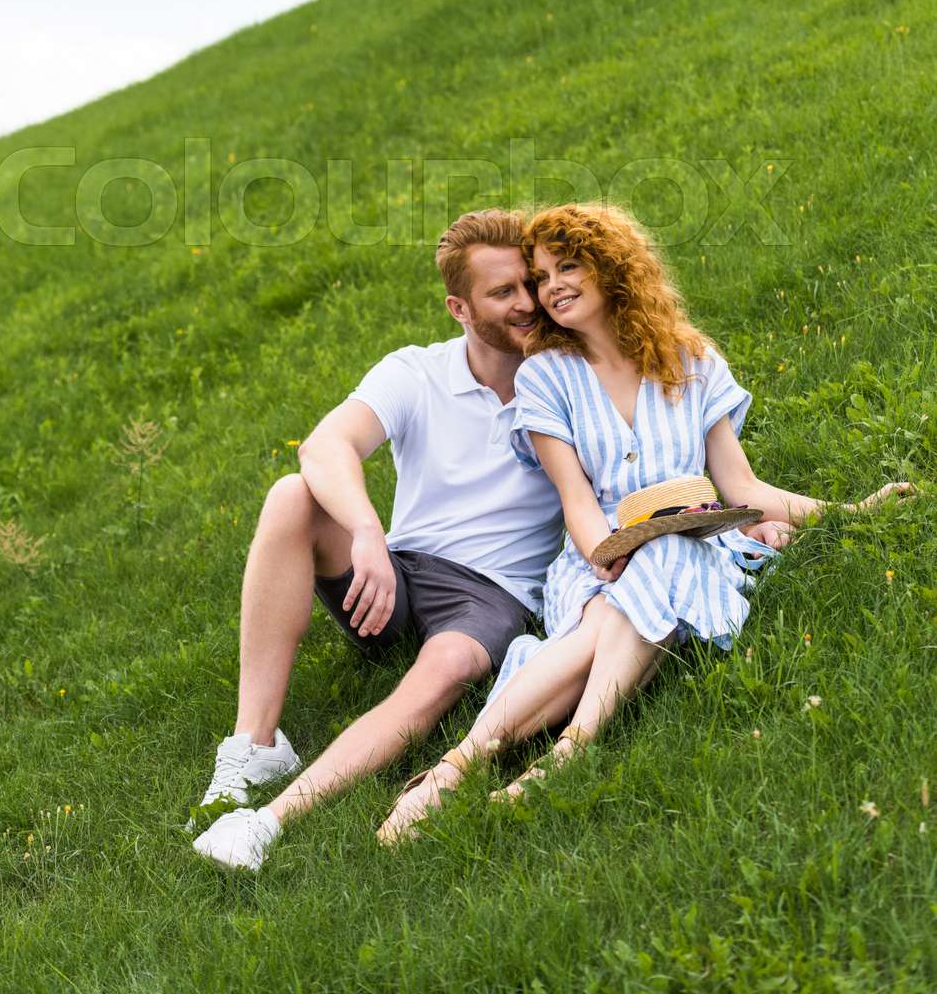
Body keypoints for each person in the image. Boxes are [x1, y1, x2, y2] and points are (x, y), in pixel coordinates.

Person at [377, 202, 914, 841]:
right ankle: (512, 763)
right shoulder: (546, 376)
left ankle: (472, 766)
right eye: (542, 278)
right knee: (619, 596)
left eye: (567, 266)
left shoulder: (691, 362)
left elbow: (739, 485)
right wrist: (603, 551)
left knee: (662, 557)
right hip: (594, 552)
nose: (552, 288)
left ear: (612, 269)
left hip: (692, 542)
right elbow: (575, 500)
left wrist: (854, 513)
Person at [191, 208, 568, 872]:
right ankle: (256, 742)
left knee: (448, 666)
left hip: (491, 597)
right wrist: (368, 531)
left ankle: (274, 818)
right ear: (459, 307)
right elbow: (327, 443)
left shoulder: (568, 379)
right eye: (502, 292)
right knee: (291, 495)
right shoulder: (418, 371)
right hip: (396, 573)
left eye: (529, 284)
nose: (527, 303)